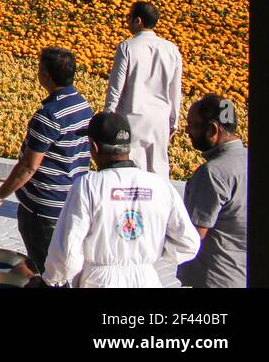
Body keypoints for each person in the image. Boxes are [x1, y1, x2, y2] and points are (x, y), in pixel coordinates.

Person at [27, 112, 199, 288]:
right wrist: (147, 249)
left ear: (94, 147)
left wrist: (49, 279)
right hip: (147, 280)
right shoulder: (161, 186)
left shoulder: (88, 185)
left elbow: (68, 253)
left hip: (99, 281)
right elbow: (188, 243)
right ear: (128, 147)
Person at [0, 47, 94, 275]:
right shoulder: (83, 106)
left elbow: (28, 167)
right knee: (61, 269)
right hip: (71, 202)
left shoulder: (48, 116)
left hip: (43, 210)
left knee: (47, 273)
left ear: (45, 75)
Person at [104, 1, 182, 177]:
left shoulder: (127, 47)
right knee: (158, 171)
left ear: (138, 20)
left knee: (131, 171)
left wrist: (108, 115)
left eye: (129, 17)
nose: (127, 20)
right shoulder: (171, 49)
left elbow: (116, 87)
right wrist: (173, 121)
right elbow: (175, 90)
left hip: (131, 118)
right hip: (160, 119)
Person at [176, 95, 247, 288]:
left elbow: (193, 235)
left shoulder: (213, 172)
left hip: (214, 279)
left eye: (192, 124)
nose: (187, 131)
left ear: (212, 130)